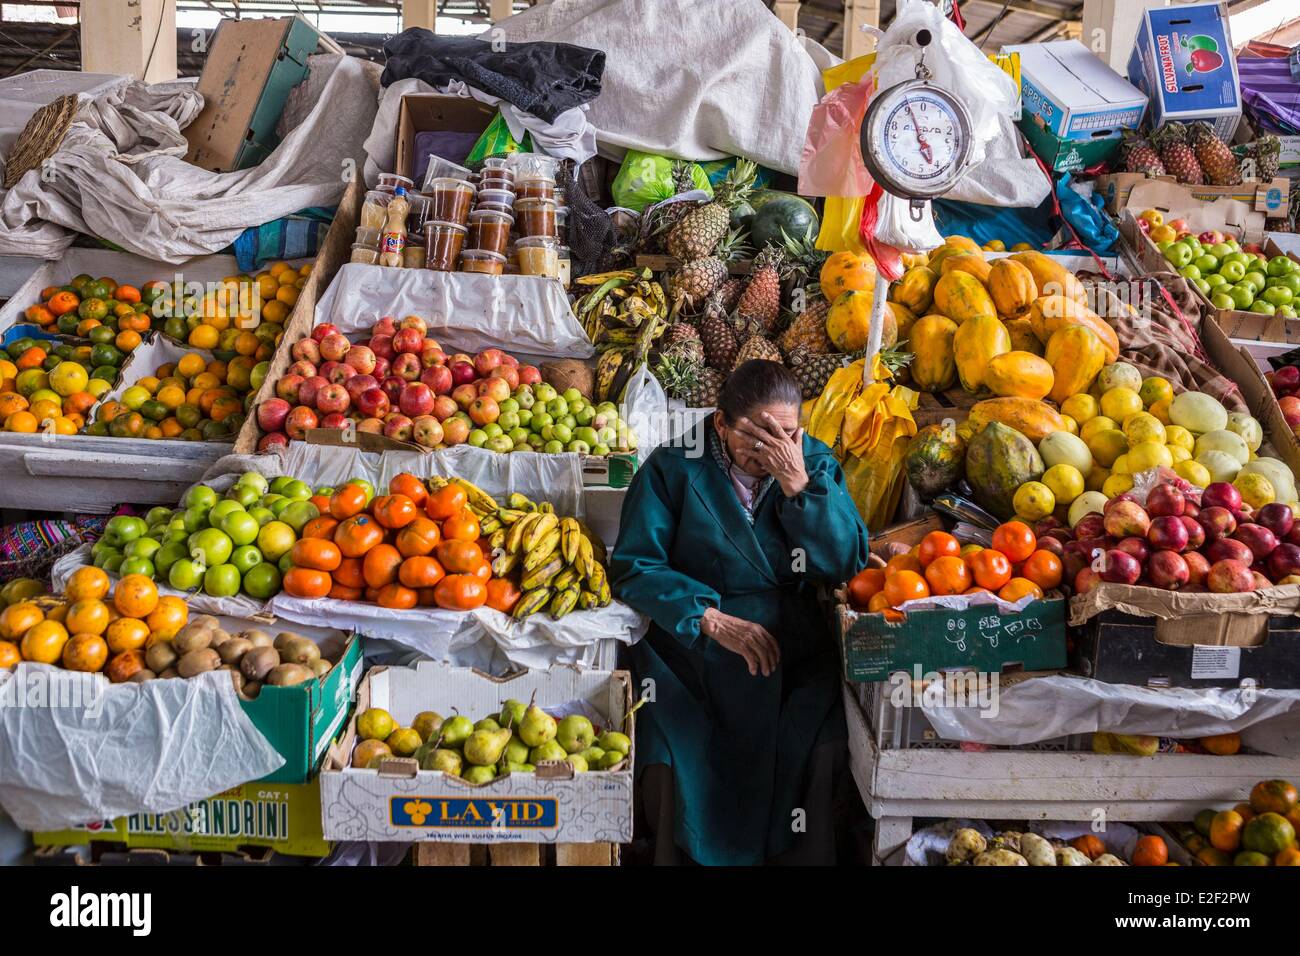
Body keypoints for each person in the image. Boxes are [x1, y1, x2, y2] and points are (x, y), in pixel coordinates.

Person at [611, 360, 869, 865]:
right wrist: (708, 617)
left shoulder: (812, 462)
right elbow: (635, 567)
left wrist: (800, 487)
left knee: (821, 742)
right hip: (692, 652)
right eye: (756, 435)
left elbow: (845, 562)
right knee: (674, 751)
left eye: (787, 434)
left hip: (793, 649)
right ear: (720, 424)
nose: (771, 449)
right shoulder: (672, 466)